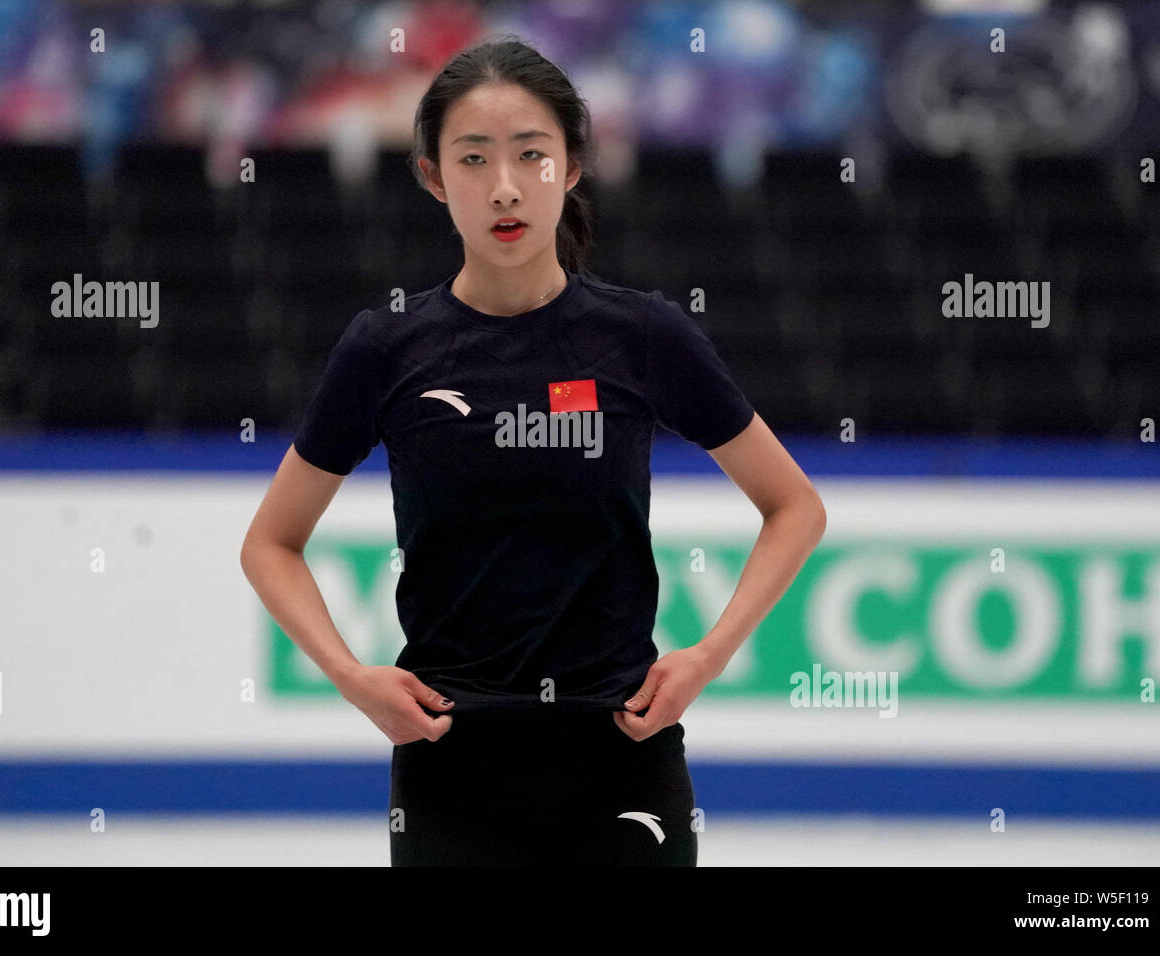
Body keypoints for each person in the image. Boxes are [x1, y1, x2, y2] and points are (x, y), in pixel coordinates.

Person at [240, 35, 827, 866]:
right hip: (451, 769)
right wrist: (350, 675)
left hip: (623, 758)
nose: (505, 187)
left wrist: (706, 656)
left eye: (531, 155)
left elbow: (795, 506)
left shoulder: (645, 336)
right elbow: (270, 543)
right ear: (433, 177)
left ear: (573, 166)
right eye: (473, 160)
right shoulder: (385, 349)